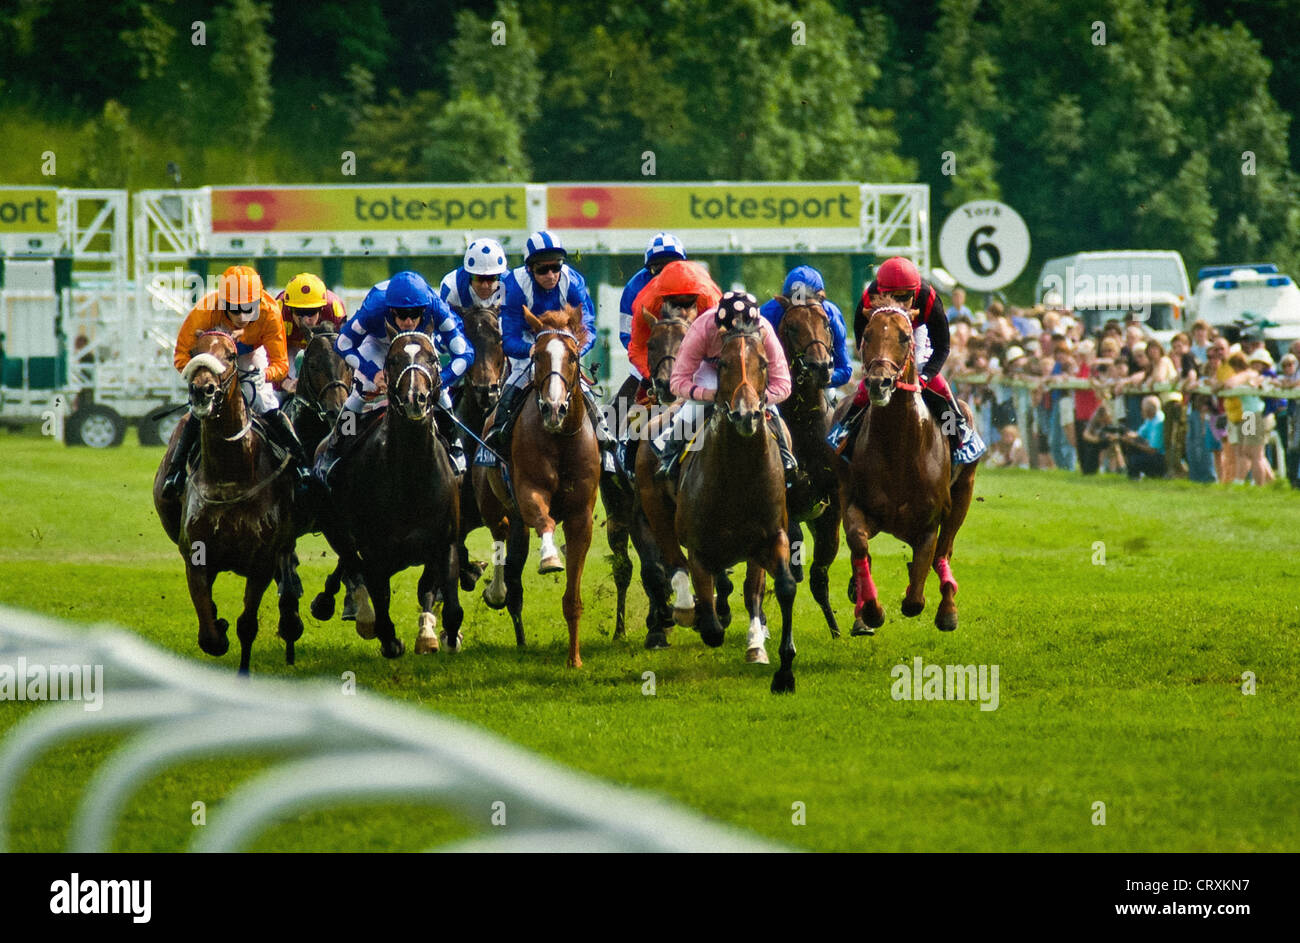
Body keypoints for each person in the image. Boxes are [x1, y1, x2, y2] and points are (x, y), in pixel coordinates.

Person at [162, 264, 314, 499]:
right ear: (223, 303)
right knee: (199, 408)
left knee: (264, 402)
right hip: (214, 358)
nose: (242, 317)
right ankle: (175, 472)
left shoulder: (270, 310)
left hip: (250, 354)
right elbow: (181, 355)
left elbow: (281, 365)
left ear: (258, 301)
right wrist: (200, 378)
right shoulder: (205, 309)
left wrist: (263, 377)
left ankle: (302, 465)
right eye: (235, 309)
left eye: (248, 309)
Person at [317, 270, 474, 479]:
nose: (408, 321)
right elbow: (343, 343)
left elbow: (465, 353)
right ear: (390, 310)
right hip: (379, 344)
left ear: (424, 309)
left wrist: (440, 380)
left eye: (415, 313)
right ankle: (335, 447)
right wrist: (372, 373)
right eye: (401, 315)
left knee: (441, 392)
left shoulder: (435, 305)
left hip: (419, 343)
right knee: (361, 391)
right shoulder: (374, 308)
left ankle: (455, 446)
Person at [486, 230, 618, 470]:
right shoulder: (514, 286)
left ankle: (605, 438)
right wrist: (530, 350)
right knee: (514, 381)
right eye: (542, 270)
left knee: (585, 388)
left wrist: (573, 350)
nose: (551, 275)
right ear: (530, 270)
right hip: (531, 342)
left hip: (565, 343)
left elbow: (588, 327)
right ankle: (497, 434)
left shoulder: (573, 281)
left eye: (555, 267)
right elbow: (510, 337)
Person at [839, 255, 984, 464]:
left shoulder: (928, 298)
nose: (898, 302)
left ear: (915, 292)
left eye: (904, 297)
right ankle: (847, 426)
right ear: (880, 292)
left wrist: (925, 376)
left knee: (936, 384)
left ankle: (956, 430)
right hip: (883, 330)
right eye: (891, 296)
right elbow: (863, 339)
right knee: (868, 384)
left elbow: (942, 347)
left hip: (916, 330)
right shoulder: (869, 296)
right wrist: (872, 367)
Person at [649, 291, 798, 482]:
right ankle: (669, 455)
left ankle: (786, 456)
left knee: (772, 410)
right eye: (728, 336)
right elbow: (677, 382)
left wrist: (761, 399)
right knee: (695, 406)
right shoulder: (701, 328)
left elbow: (784, 383)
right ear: (718, 327)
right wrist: (710, 395)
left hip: (749, 372)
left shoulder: (765, 330)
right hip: (712, 371)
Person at [612, 233, 688, 419]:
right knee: (616, 411)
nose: (665, 274)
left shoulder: (692, 282)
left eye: (672, 267)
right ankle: (613, 443)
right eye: (658, 269)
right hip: (649, 356)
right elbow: (627, 335)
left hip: (688, 355)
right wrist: (652, 364)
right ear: (649, 270)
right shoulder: (633, 288)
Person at [626, 260, 722, 393]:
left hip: (702, 354)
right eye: (675, 303)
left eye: (688, 303)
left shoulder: (712, 303)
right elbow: (637, 348)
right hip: (661, 355)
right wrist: (652, 375)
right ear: (663, 299)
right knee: (625, 398)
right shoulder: (646, 305)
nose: (682, 311)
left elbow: (719, 351)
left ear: (697, 298)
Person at [757, 264, 852, 391]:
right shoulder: (767, 314)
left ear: (821, 299)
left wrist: (827, 376)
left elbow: (845, 369)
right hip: (776, 383)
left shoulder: (831, 314)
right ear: (785, 301)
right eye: (797, 301)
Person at [274, 272, 346, 395]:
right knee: (274, 396)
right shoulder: (278, 310)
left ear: (322, 309)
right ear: (290, 309)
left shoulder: (334, 308)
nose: (307, 319)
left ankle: (351, 415)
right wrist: (284, 382)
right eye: (300, 312)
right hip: (287, 347)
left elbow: (343, 353)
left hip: (325, 350)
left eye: (311, 311)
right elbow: (271, 356)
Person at [439, 238, 508, 312]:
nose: (485, 286)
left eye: (492, 278)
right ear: (469, 275)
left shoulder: (511, 286)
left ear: (500, 276)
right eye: (478, 278)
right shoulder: (451, 287)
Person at [1106, 395, 1166, 480]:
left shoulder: (1157, 423)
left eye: (1142, 409)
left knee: (1134, 457)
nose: (1141, 411)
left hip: (1159, 457)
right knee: (1127, 443)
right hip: (1153, 452)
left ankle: (1138, 476)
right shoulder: (1150, 419)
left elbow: (1153, 450)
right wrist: (1121, 436)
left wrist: (1132, 443)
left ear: (1149, 410)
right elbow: (1138, 434)